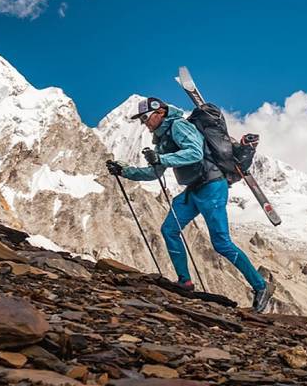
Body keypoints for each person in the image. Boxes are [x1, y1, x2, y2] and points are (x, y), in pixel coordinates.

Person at [107, 97, 272, 313]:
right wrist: (125, 171)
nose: (144, 123)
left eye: (145, 117)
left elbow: (194, 153)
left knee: (221, 243)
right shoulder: (163, 138)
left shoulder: (179, 126)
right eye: (141, 120)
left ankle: (261, 287)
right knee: (169, 229)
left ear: (160, 113)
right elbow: (155, 172)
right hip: (194, 190)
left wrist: (161, 159)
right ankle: (184, 282)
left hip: (212, 187)